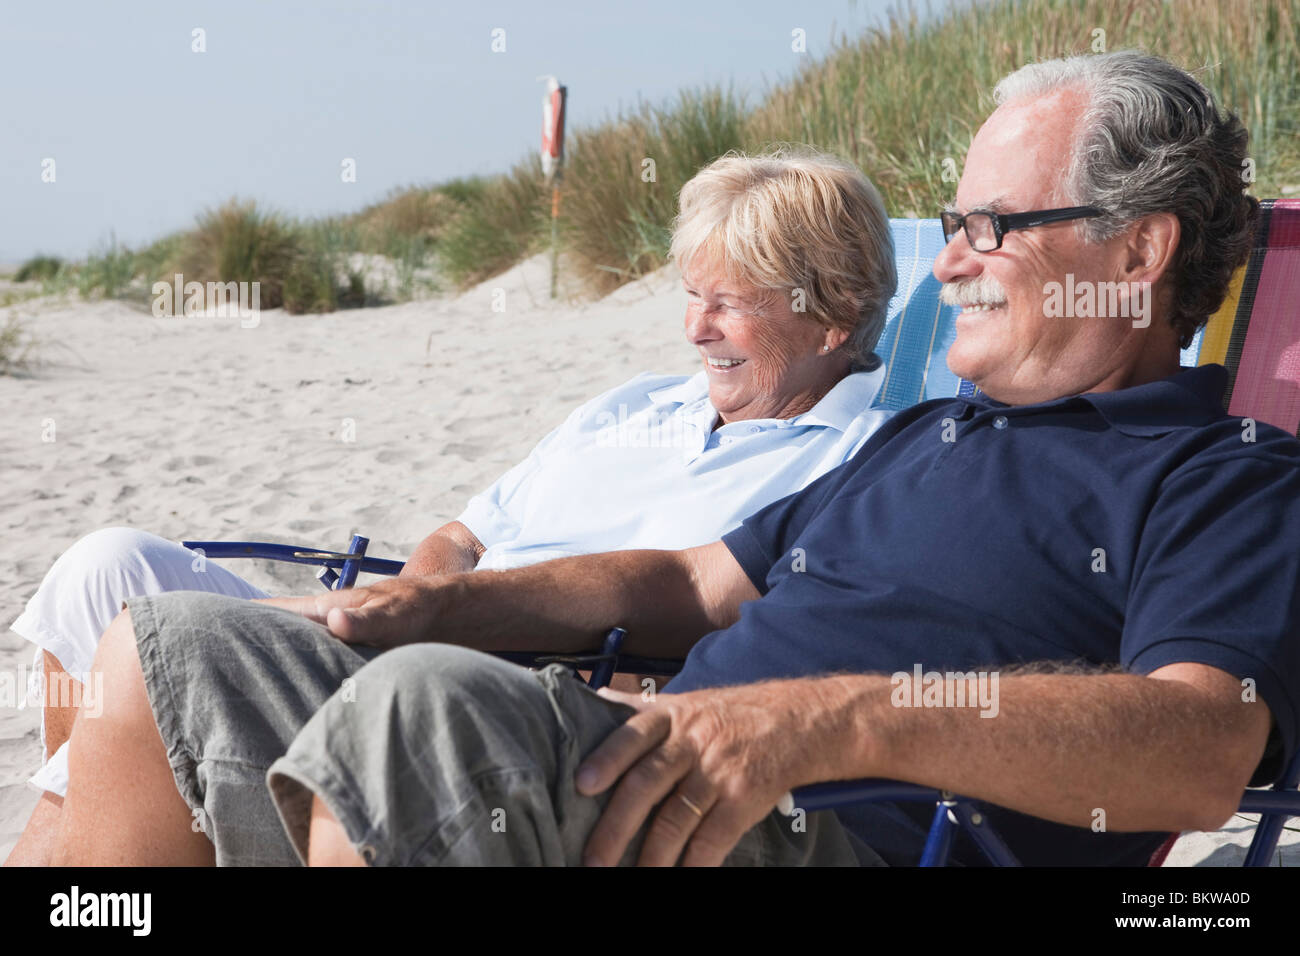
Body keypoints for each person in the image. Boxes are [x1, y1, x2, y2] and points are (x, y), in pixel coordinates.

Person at [40, 50, 1300, 868]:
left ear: (1138, 254)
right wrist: (448, 597)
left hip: (828, 832)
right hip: (660, 768)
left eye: (988, 224)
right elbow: (695, 587)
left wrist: (826, 720)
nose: (955, 257)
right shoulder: (929, 433)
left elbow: (1198, 750)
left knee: (423, 709)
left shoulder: (1224, 474)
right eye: (955, 224)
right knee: (180, 651)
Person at [5, 149, 899, 865]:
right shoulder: (636, 403)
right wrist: (418, 604)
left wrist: (443, 643)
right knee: (106, 567)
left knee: (153, 640)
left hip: (507, 704)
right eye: (692, 298)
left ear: (832, 315)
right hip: (412, 629)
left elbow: (728, 651)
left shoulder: (859, 465)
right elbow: (462, 535)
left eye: (729, 305)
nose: (695, 330)